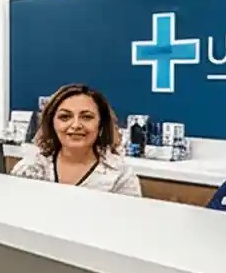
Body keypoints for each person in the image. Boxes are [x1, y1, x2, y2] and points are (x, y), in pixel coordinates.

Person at [10, 83, 141, 197]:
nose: (76, 125)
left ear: (101, 124)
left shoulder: (120, 176)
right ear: (52, 124)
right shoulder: (30, 167)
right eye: (65, 117)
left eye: (87, 117)